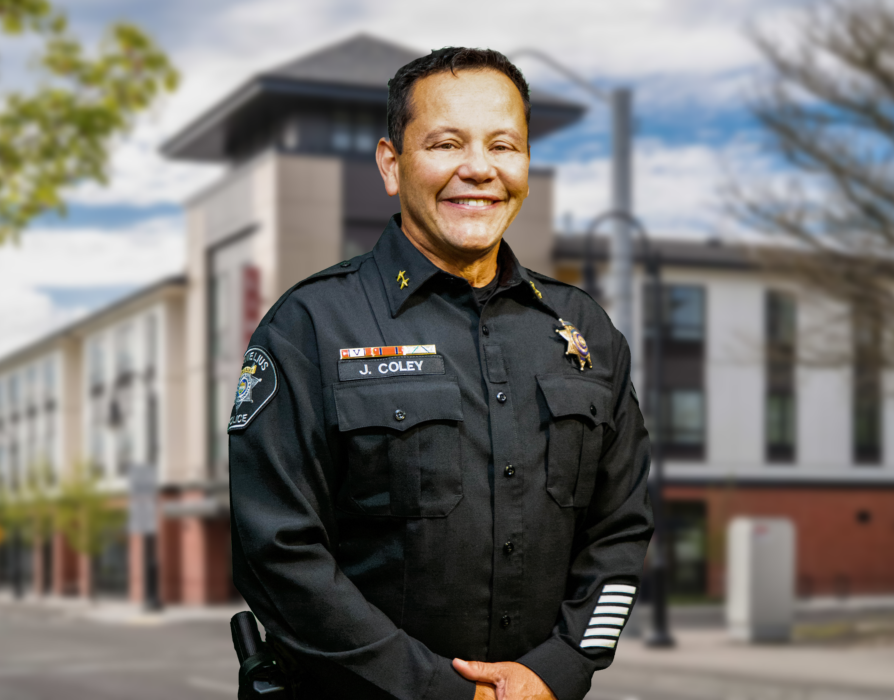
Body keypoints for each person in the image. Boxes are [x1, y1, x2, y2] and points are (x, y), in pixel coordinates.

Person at [228, 46, 653, 700]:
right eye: (446, 143)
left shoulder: (584, 331)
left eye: (504, 146)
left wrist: (560, 670)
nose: (478, 169)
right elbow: (277, 556)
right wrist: (443, 693)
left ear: (527, 165)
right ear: (392, 166)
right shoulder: (311, 326)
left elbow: (620, 533)